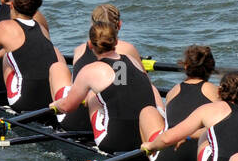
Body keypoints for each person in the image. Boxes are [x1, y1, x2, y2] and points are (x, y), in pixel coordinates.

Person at [52, 21, 161, 152]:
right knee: (151, 89)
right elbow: (124, 87)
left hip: (114, 143)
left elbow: (67, 107)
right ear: (116, 42)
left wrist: (55, 105)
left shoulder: (90, 70)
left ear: (91, 45)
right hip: (146, 136)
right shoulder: (132, 60)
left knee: (92, 96)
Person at [140, 45, 221, 161]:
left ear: (186, 66)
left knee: (147, 111)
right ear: (211, 69)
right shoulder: (217, 92)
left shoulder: (173, 91)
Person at [69, 3, 143, 78]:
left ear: (92, 26)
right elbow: (146, 83)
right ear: (119, 25)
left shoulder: (79, 50)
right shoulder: (127, 49)